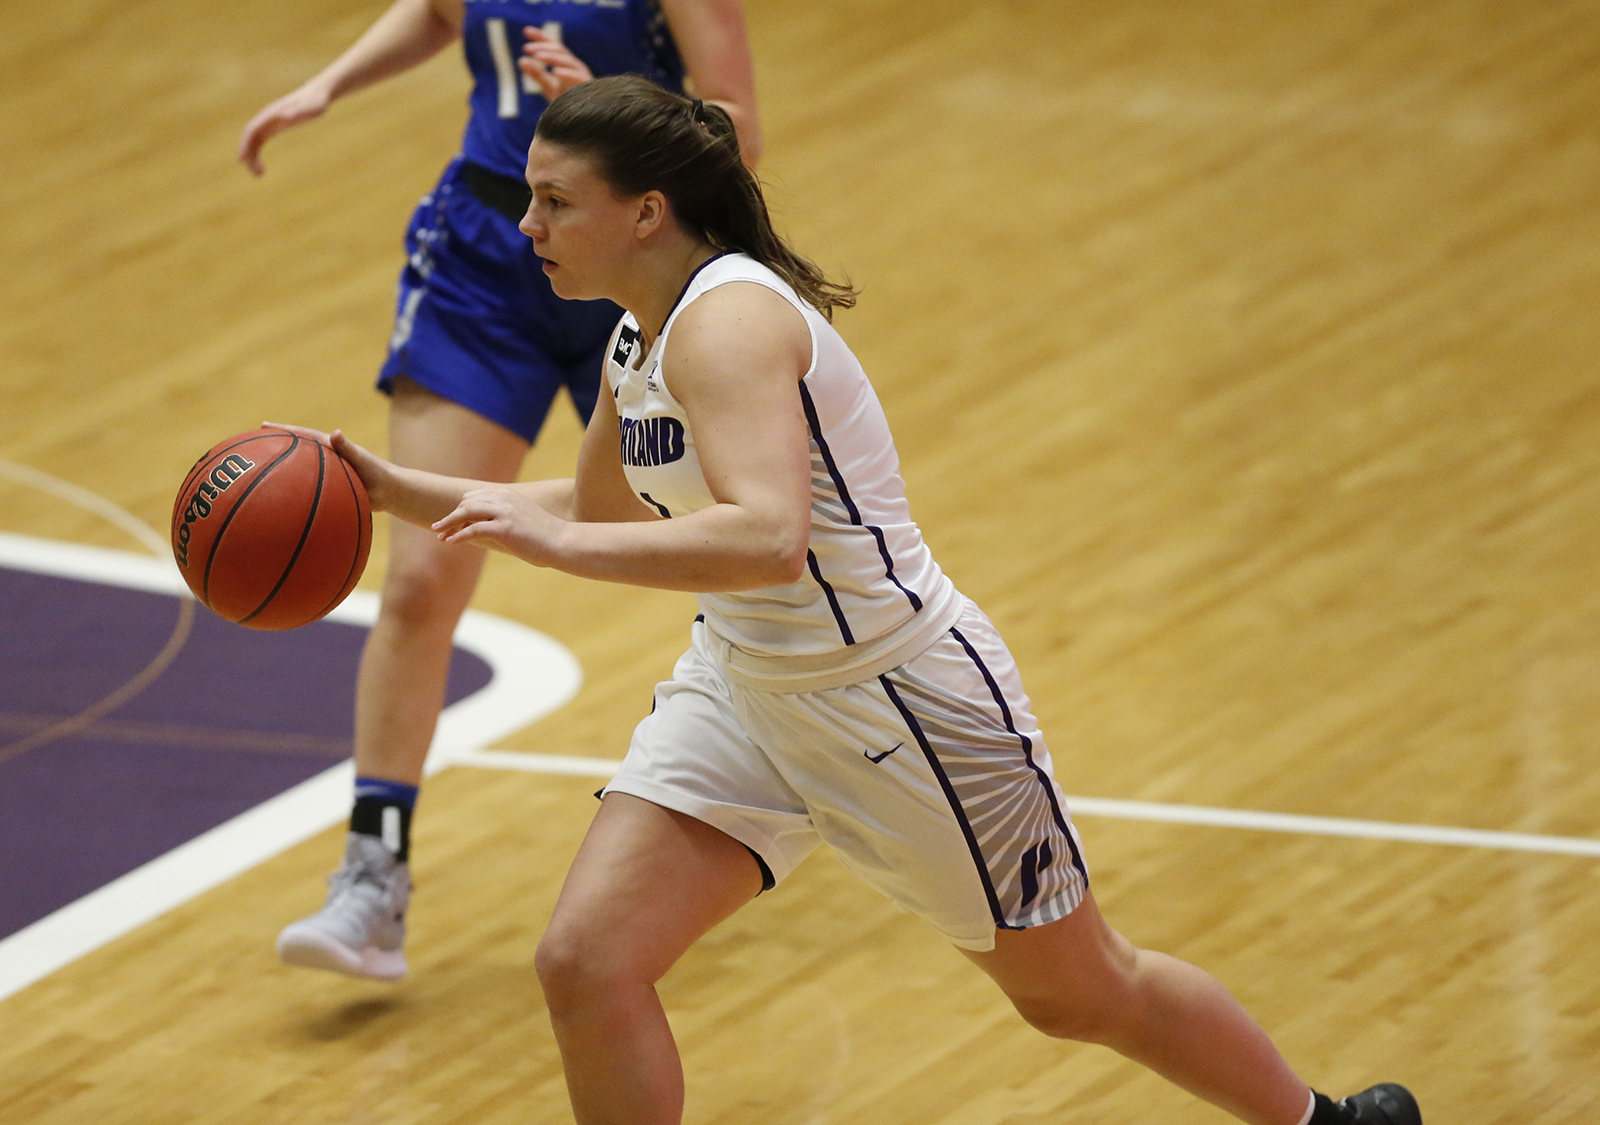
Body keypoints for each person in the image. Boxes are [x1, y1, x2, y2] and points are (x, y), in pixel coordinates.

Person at [286, 75, 1425, 1125]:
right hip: (744, 690)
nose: (523, 225)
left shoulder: (727, 323)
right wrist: (400, 492)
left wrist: (550, 547)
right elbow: (603, 504)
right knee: (585, 963)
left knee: (1079, 996)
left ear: (644, 211)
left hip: (897, 702)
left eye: (551, 200)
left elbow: (769, 539)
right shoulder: (638, 326)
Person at [239, 0, 759, 980]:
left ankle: (800, 768)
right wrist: (328, 84)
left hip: (631, 257)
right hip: (485, 254)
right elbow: (437, 16)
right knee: (419, 580)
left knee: (726, 542)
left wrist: (611, 117)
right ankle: (372, 876)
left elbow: (734, 129)